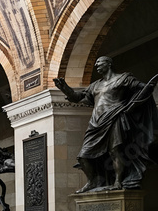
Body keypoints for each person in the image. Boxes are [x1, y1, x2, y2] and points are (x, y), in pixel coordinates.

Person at [53, 56, 158, 192]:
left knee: (115, 151)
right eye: (95, 63)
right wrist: (65, 89)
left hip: (115, 118)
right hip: (96, 123)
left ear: (108, 64)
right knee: (83, 156)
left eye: (99, 63)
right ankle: (92, 182)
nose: (96, 65)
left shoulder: (123, 78)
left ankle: (118, 182)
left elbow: (143, 90)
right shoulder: (95, 85)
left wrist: (134, 105)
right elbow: (77, 97)